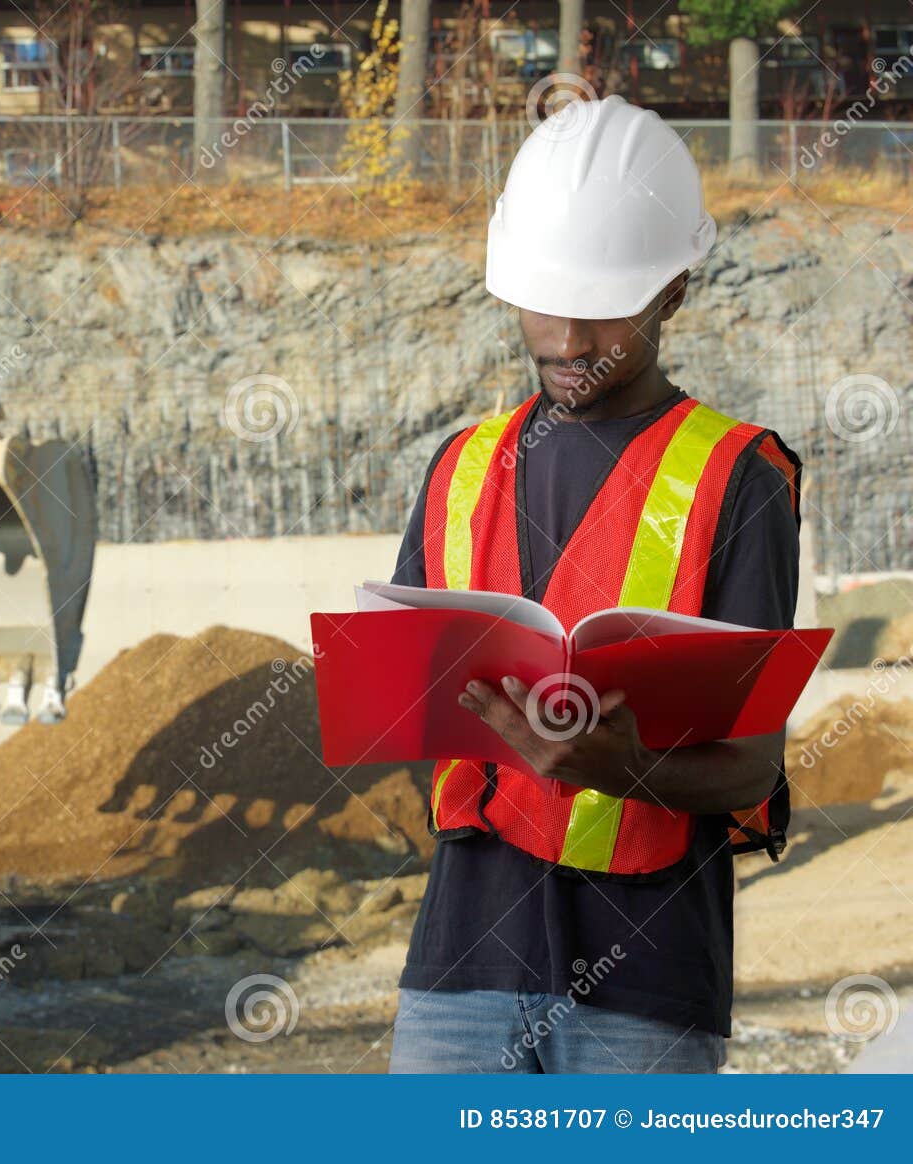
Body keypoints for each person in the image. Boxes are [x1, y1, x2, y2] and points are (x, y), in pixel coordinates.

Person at [386, 96, 802, 1074]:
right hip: (458, 975)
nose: (567, 340)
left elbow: (750, 768)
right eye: (542, 300)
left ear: (674, 291)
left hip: (644, 987)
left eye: (602, 306)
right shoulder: (458, 468)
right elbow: (406, 700)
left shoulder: (736, 479)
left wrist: (612, 769)